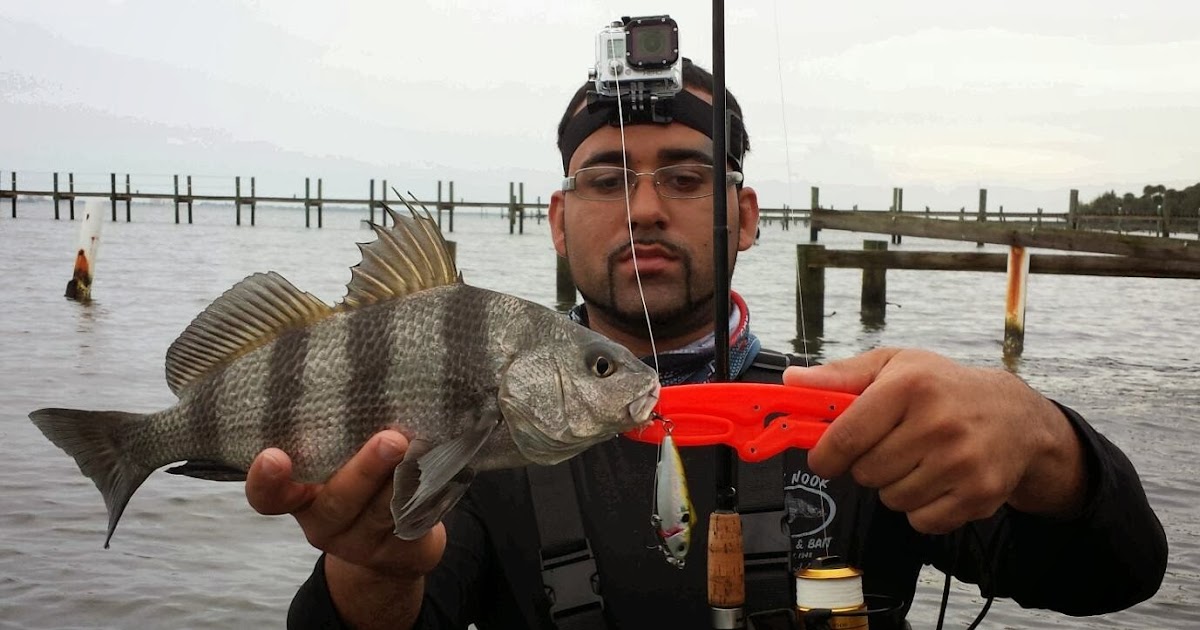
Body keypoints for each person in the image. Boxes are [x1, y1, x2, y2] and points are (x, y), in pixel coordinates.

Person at [245, 59, 1167, 629]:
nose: (645, 207)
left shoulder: (860, 415)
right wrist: (370, 567)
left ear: (747, 215)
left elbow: (1114, 576)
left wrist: (1042, 439)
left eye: (686, 176)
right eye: (607, 180)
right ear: (558, 223)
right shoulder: (468, 435)